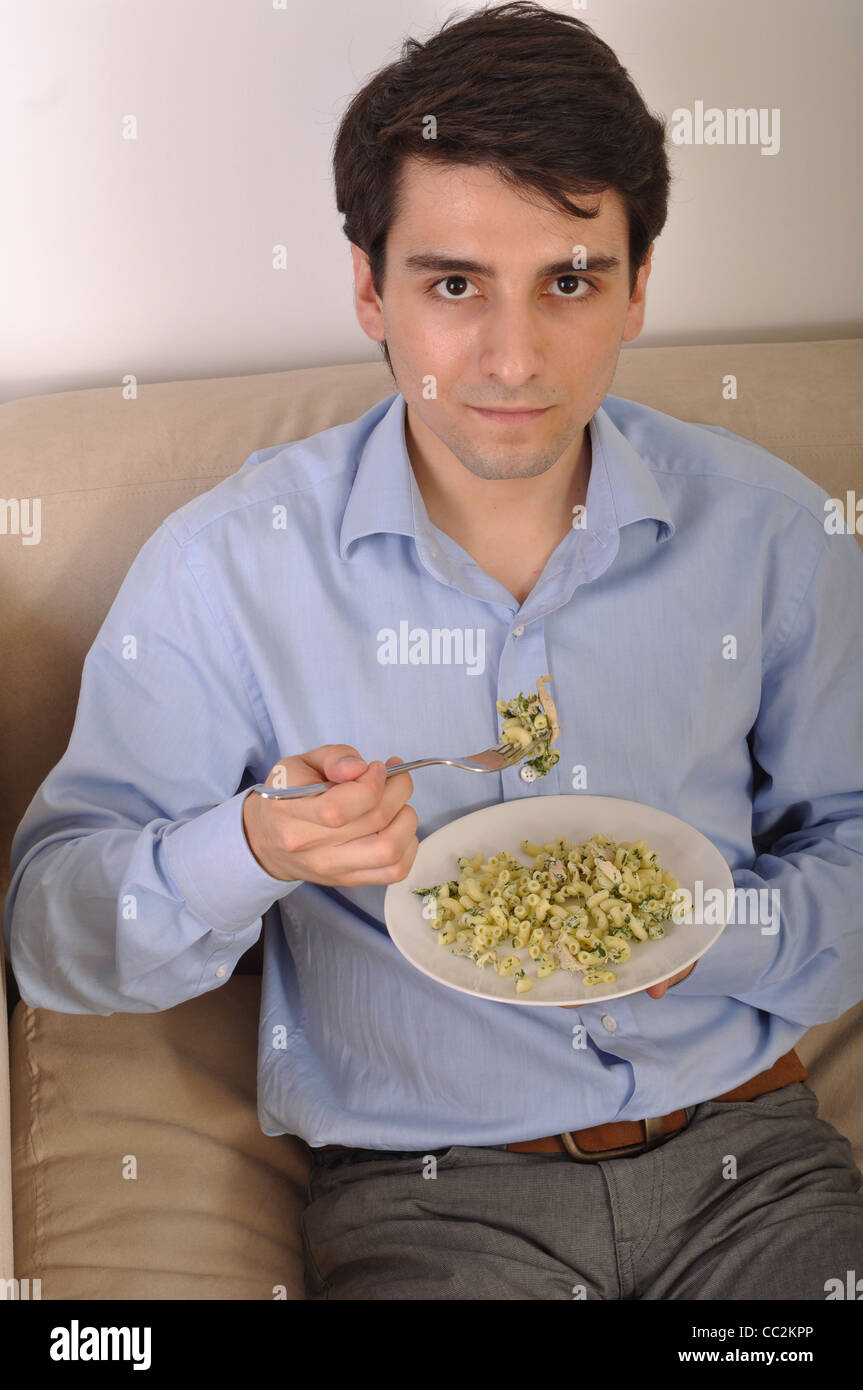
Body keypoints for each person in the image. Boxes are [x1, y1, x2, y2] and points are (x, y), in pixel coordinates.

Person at [4, 1, 863, 1300]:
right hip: (431, 1199)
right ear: (370, 289)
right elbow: (48, 929)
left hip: (753, 1164)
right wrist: (251, 847)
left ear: (636, 288)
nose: (513, 358)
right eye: (455, 284)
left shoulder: (775, 533)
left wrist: (714, 921)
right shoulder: (226, 565)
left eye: (567, 280)